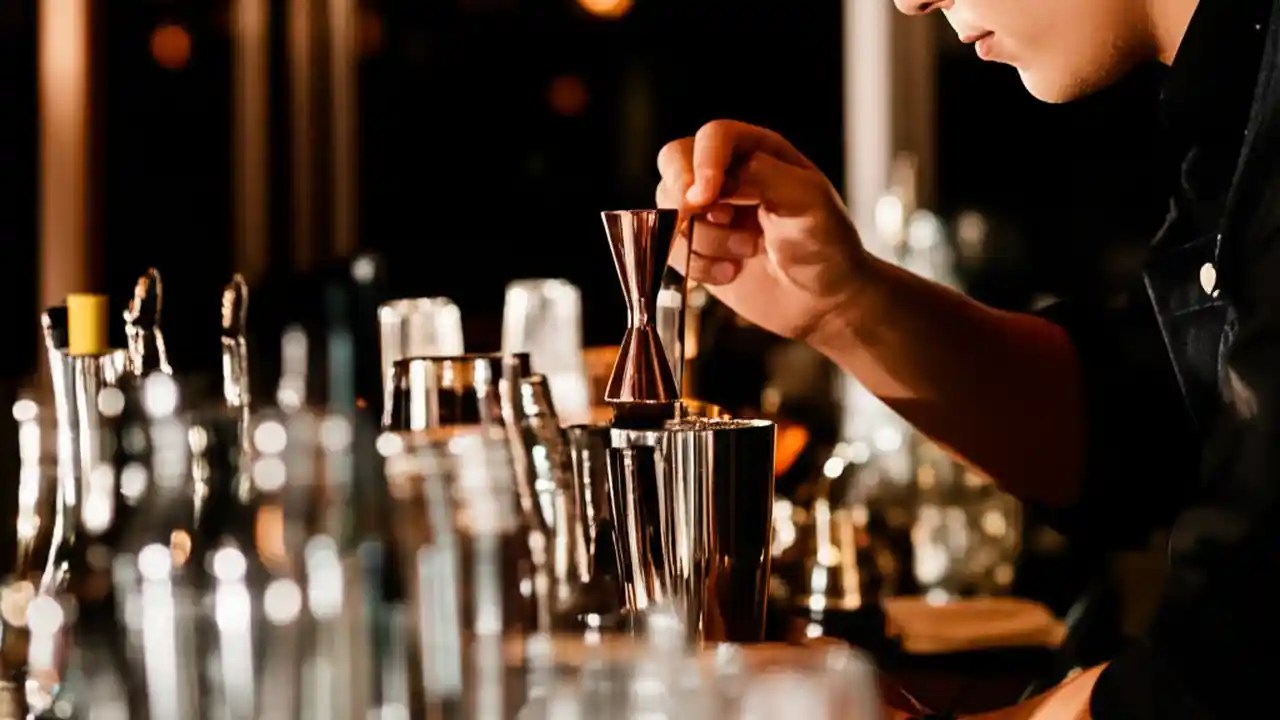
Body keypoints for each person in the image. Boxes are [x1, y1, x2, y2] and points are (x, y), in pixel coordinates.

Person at [656, 0, 1280, 717]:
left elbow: (1242, 657)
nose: (911, 2)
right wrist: (843, 305)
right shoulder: (1238, 98)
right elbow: (1146, 424)